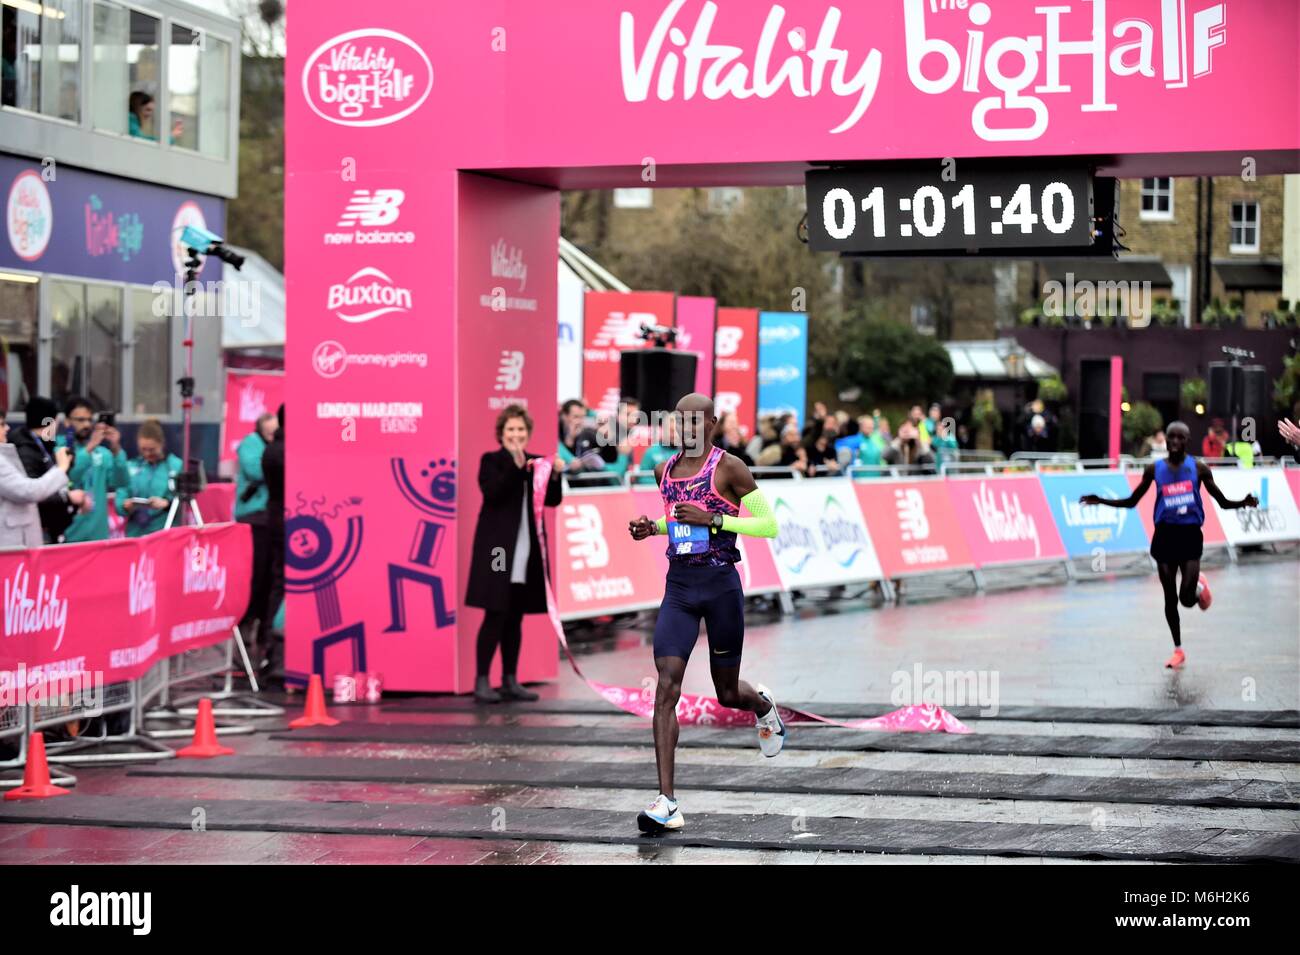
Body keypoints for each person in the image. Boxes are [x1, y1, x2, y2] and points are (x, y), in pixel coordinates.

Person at [627, 393, 783, 833]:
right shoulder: (664, 471)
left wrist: (714, 521)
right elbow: (677, 522)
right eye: (682, 421)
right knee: (666, 687)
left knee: (727, 693)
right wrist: (651, 528)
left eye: (699, 421)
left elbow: (767, 524)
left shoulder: (730, 467)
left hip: (720, 588)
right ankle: (667, 802)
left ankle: (762, 705)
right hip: (679, 587)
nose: (690, 427)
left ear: (713, 424)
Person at [1078, 421, 1257, 669]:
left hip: (1190, 536)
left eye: (1179, 438)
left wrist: (1242, 503)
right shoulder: (1154, 469)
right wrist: (1101, 500)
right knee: (1170, 598)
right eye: (1170, 437)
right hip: (1164, 537)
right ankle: (1178, 650)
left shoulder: (1199, 468)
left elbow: (1223, 502)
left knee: (1185, 598)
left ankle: (1198, 586)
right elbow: (1132, 502)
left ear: (1187, 440)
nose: (1173, 442)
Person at [465, 404, 564, 704]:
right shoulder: (492, 461)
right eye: (511, 430)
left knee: (515, 615)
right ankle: (482, 679)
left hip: (527, 548)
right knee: (496, 610)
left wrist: (556, 475)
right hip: (497, 550)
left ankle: (510, 679)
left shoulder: (536, 463)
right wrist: (515, 464)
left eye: (521, 429)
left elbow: (553, 500)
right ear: (501, 433)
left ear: (528, 432)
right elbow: (492, 493)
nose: (516, 435)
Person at [8, 396, 85, 543]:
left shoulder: (41, 446)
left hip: (49, 528)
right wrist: (68, 498)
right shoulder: (26, 451)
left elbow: (50, 481)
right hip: (38, 531)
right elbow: (33, 492)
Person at [59, 397, 129, 543]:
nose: (86, 424)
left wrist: (116, 450)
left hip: (99, 536)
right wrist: (89, 448)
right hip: (70, 534)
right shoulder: (59, 448)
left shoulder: (103, 453)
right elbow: (69, 476)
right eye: (80, 420)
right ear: (67, 422)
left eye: (89, 420)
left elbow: (121, 482)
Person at [236, 413, 279, 640]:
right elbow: (256, 470)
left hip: (271, 517)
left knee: (270, 576)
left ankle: (263, 626)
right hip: (252, 517)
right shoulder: (250, 444)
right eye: (270, 433)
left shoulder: (271, 447)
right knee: (255, 574)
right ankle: (246, 621)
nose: (273, 437)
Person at [0, 417, 72, 549]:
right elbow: (29, 491)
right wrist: (61, 468)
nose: (7, 428)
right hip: (12, 548)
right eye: (2, 424)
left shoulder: (6, 454)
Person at [116, 420, 182, 537]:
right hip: (135, 535)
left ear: (162, 444)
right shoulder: (131, 466)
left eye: (152, 450)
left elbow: (185, 500)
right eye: (143, 449)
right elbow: (121, 495)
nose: (147, 454)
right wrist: (125, 506)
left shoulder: (176, 466)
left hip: (164, 533)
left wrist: (166, 503)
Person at [262, 404, 286, 682]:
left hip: (279, 520)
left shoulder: (277, 448)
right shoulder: (279, 452)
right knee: (280, 586)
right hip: (282, 524)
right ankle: (274, 650)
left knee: (279, 584)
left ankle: (274, 648)